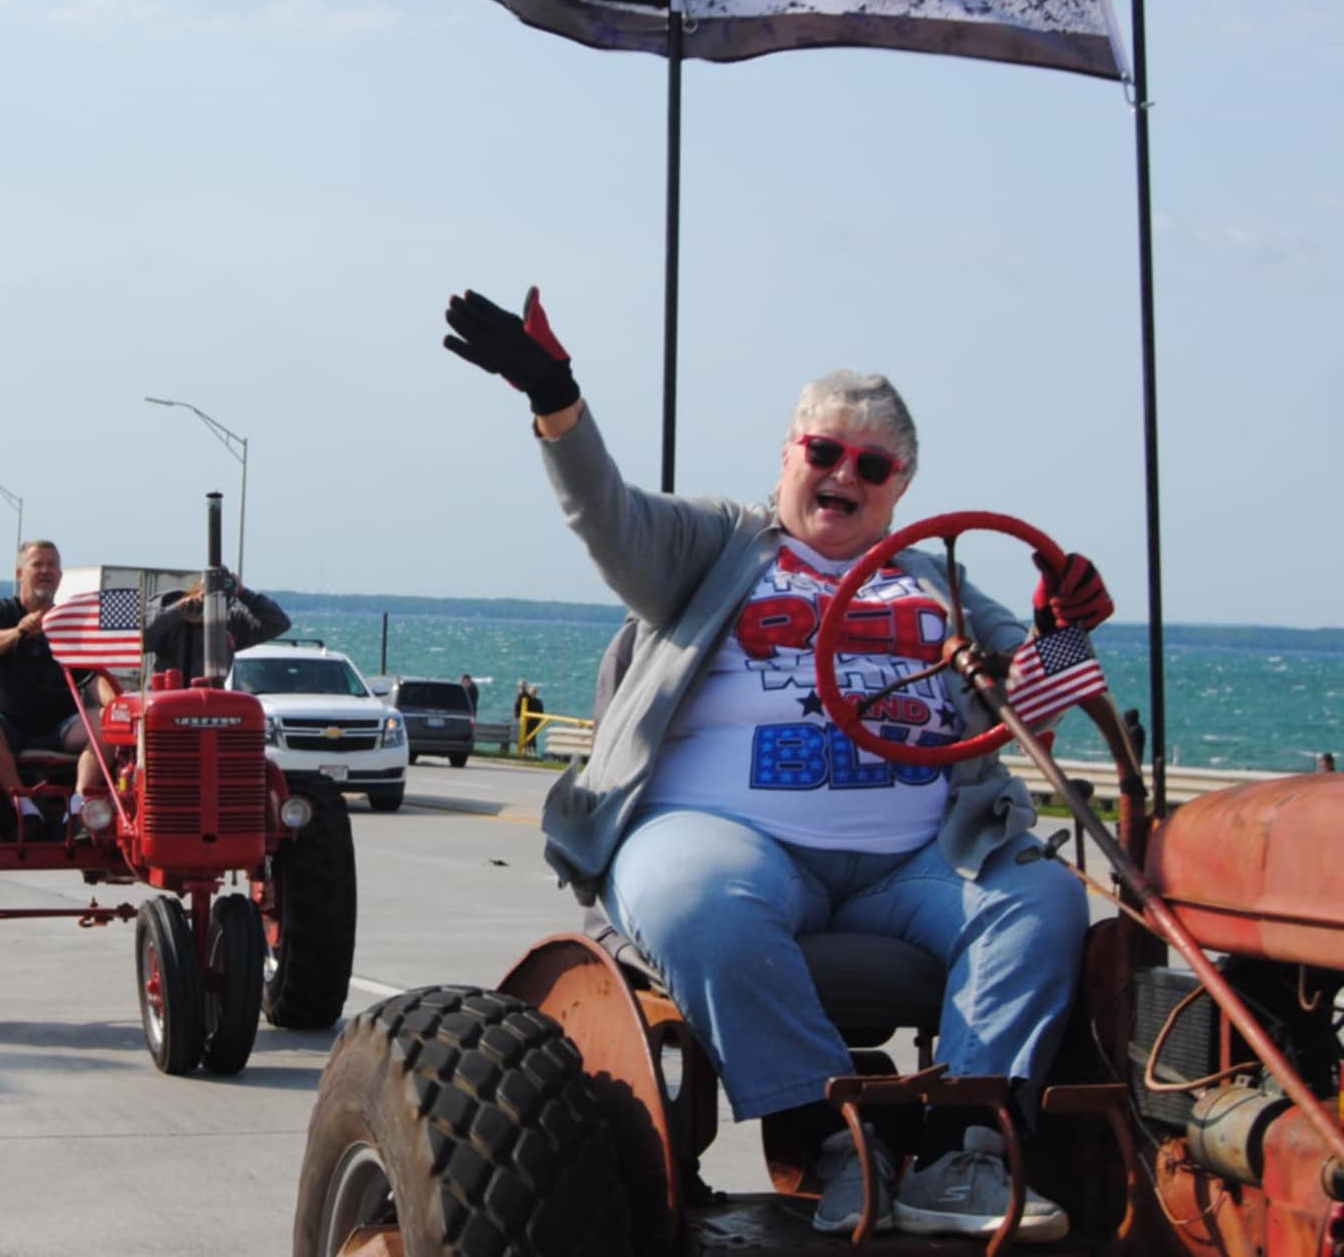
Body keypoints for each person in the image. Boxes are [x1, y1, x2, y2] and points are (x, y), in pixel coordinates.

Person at [443, 286, 1115, 1243]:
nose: (846, 474)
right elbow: (608, 518)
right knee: (693, 900)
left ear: (899, 488)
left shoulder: (937, 579)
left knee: (1043, 901)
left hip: (922, 857)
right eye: (826, 452)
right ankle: (835, 1144)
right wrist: (556, 399)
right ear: (790, 453)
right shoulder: (718, 544)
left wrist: (1060, 632)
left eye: (872, 465)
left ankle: (966, 1152)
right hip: (728, 841)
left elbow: (1032, 707)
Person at [0, 541, 112, 840]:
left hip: (61, 726)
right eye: (37, 564)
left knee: (110, 721)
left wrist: (118, 703)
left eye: (52, 565)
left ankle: (80, 805)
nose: (45, 571)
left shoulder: (69, 621)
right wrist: (20, 631)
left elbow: (93, 677)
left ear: (60, 574)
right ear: (20, 572)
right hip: (5, 725)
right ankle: (23, 805)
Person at [143, 571, 290, 682]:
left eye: (221, 604)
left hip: (209, 699)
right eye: (207, 602)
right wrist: (178, 611)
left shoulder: (230, 623)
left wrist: (244, 593)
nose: (211, 611)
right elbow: (142, 640)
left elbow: (278, 622)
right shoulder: (173, 619)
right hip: (167, 696)